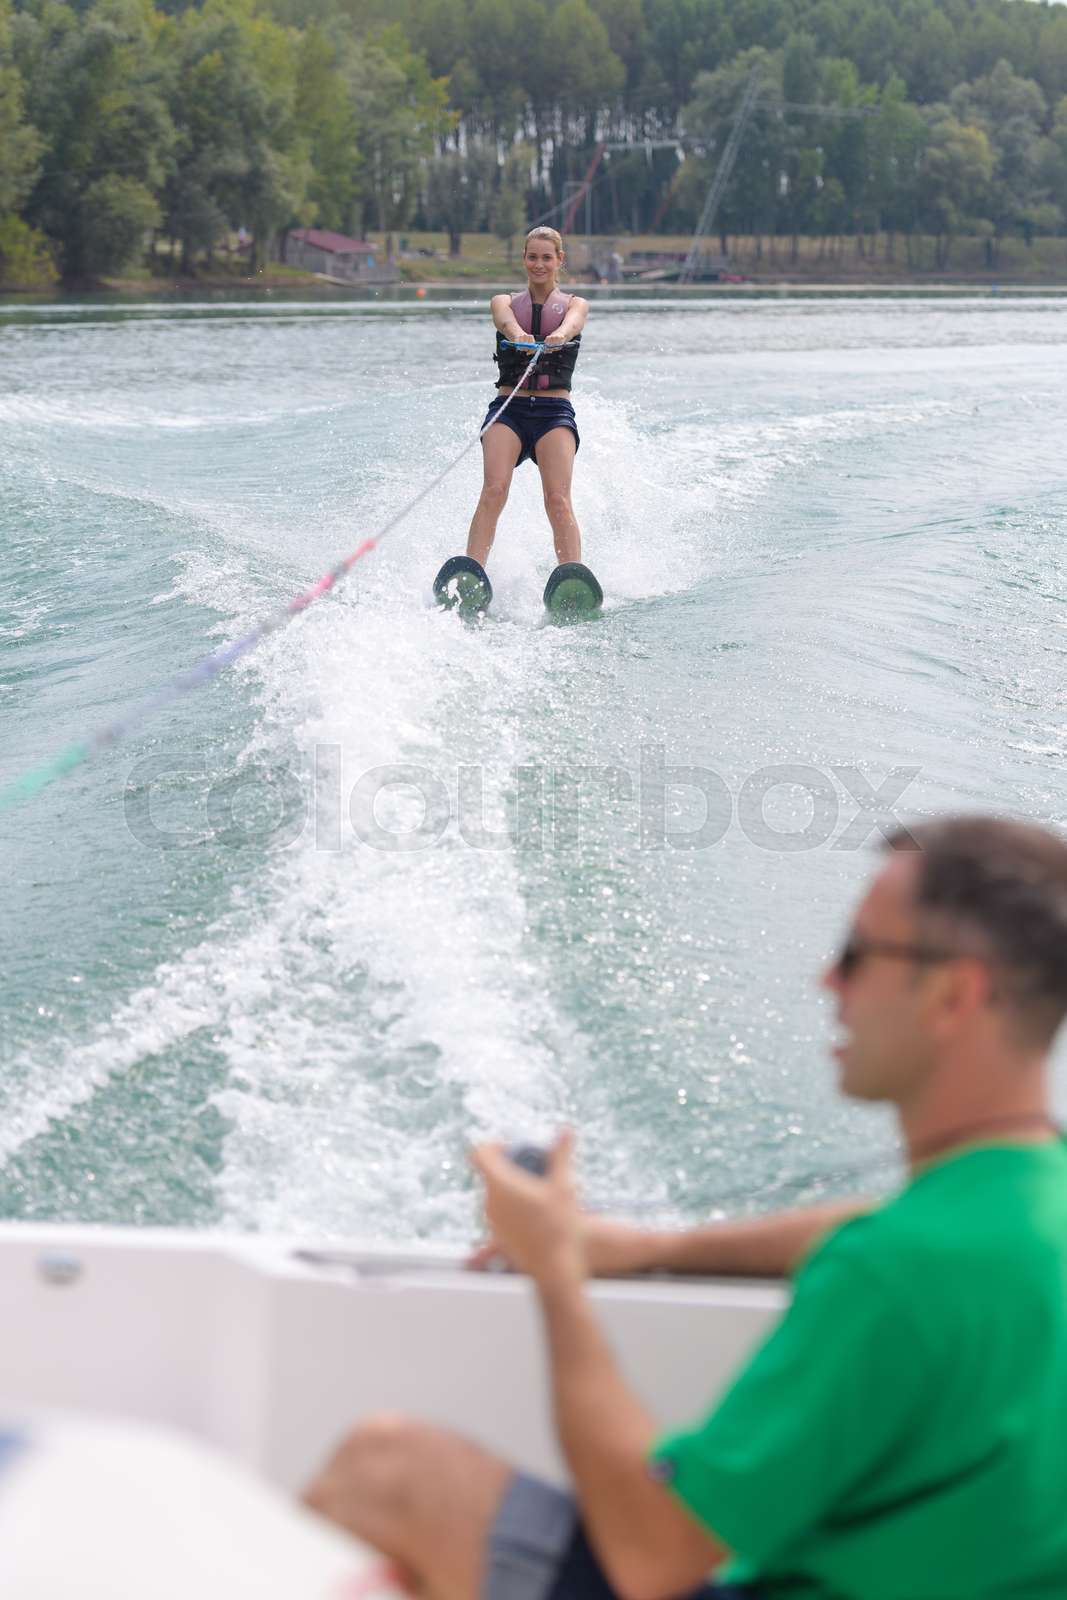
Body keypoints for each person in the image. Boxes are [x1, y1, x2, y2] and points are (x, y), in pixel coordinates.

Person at [304, 816, 1067, 1600]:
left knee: (390, 1473)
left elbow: (653, 1553)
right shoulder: (1021, 1204)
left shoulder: (893, 1272)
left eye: (856, 955)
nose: (826, 982)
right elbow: (876, 1230)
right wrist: (642, 1250)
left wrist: (558, 1273)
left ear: (953, 994)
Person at [433, 228, 596, 615]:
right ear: (524, 259)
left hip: (553, 412)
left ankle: (570, 577)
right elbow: (505, 322)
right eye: (532, 257)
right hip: (510, 408)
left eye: (546, 258)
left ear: (560, 260)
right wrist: (520, 335)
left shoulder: (577, 304)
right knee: (494, 489)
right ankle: (473, 573)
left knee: (557, 499)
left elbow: (573, 323)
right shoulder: (503, 301)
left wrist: (558, 335)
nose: (539, 265)